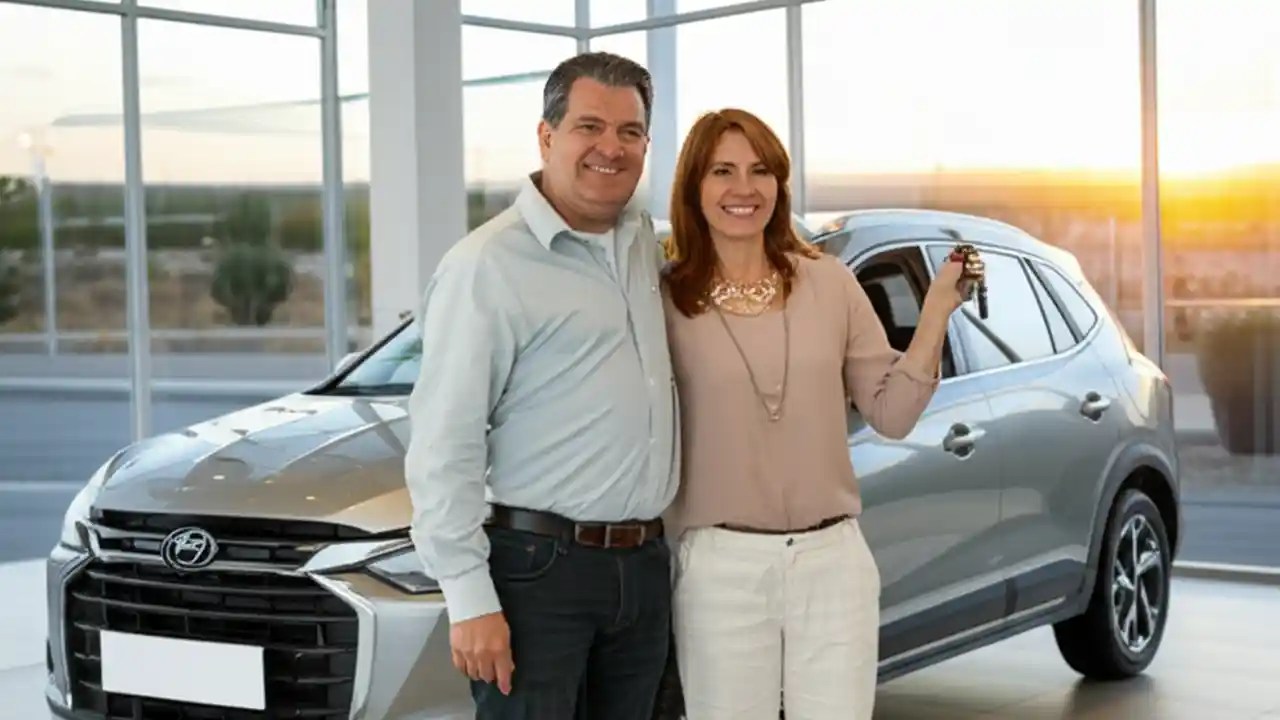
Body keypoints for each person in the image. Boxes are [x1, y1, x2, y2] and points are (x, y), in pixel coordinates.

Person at [660, 108, 983, 720]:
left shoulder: (828, 282)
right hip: (719, 568)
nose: (743, 188)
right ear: (693, 188)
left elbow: (891, 414)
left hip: (832, 564)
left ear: (779, 185)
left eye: (760, 171)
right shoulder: (667, 299)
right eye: (722, 171)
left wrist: (937, 311)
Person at [403, 52, 679, 719]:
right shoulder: (487, 266)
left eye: (631, 132)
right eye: (590, 126)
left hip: (643, 567)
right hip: (539, 574)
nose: (611, 148)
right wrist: (469, 598)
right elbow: (445, 443)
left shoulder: (646, 245)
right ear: (547, 135)